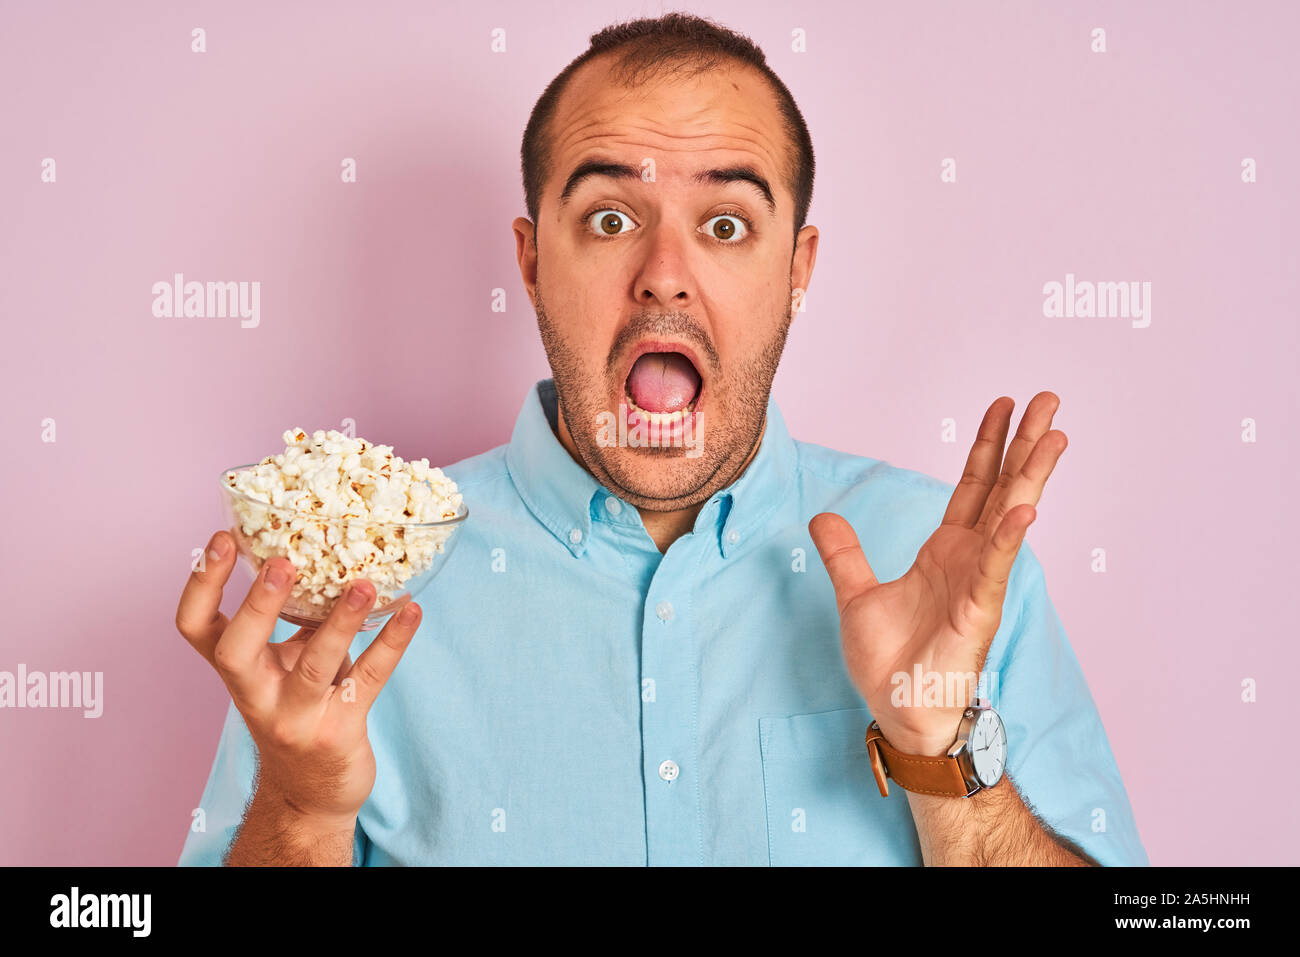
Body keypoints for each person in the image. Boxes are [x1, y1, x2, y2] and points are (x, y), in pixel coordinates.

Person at [176, 13, 1146, 866]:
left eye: (725, 223)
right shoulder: (353, 582)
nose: (665, 276)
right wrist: (300, 810)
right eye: (608, 218)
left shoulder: (950, 566)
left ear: (797, 268)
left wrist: (941, 755)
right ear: (530, 260)